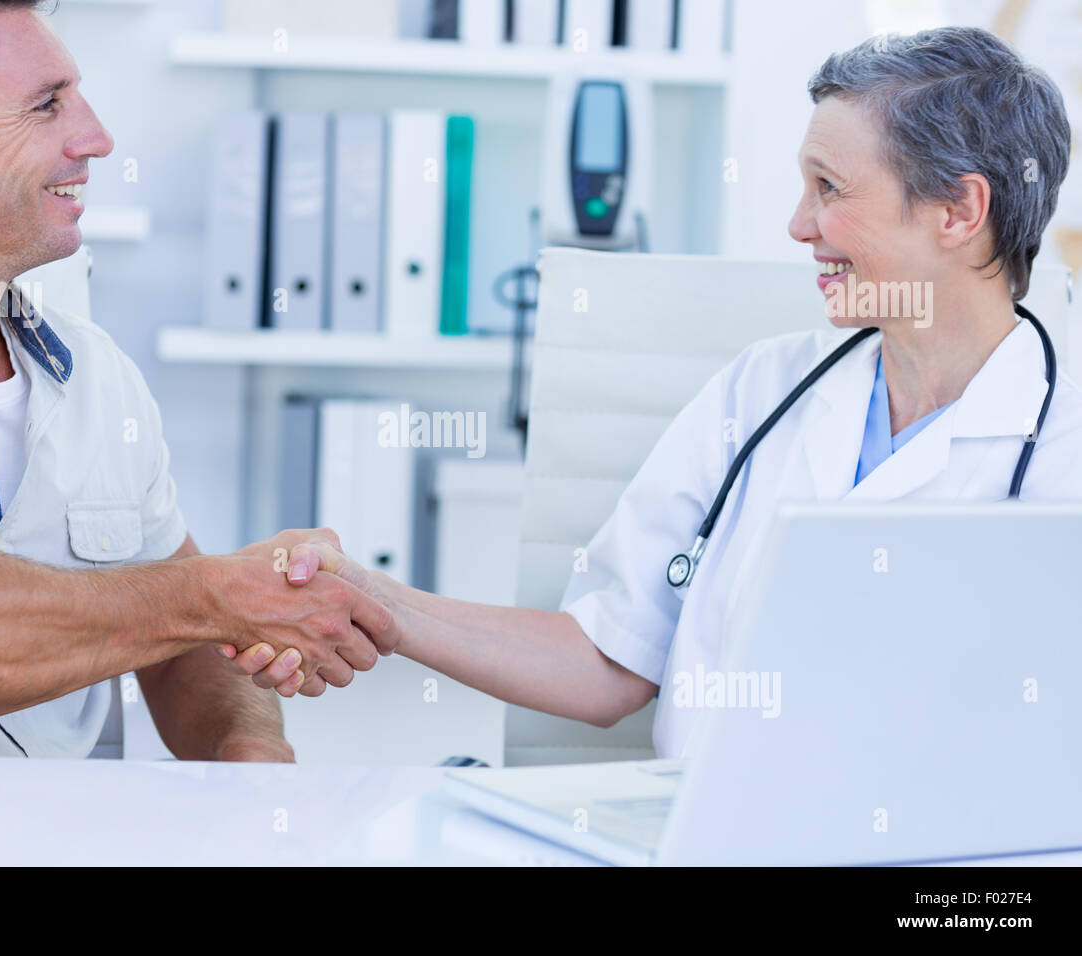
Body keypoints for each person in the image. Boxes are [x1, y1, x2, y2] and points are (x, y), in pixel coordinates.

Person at [235, 26, 1082, 759]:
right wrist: (373, 599)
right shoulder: (763, 391)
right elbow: (609, 662)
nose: (799, 225)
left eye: (831, 188)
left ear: (957, 210)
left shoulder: (1064, 442)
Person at [0, 0, 387, 760]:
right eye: (47, 106)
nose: (96, 139)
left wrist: (252, 763)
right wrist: (216, 595)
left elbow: (187, 653)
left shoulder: (98, 373)